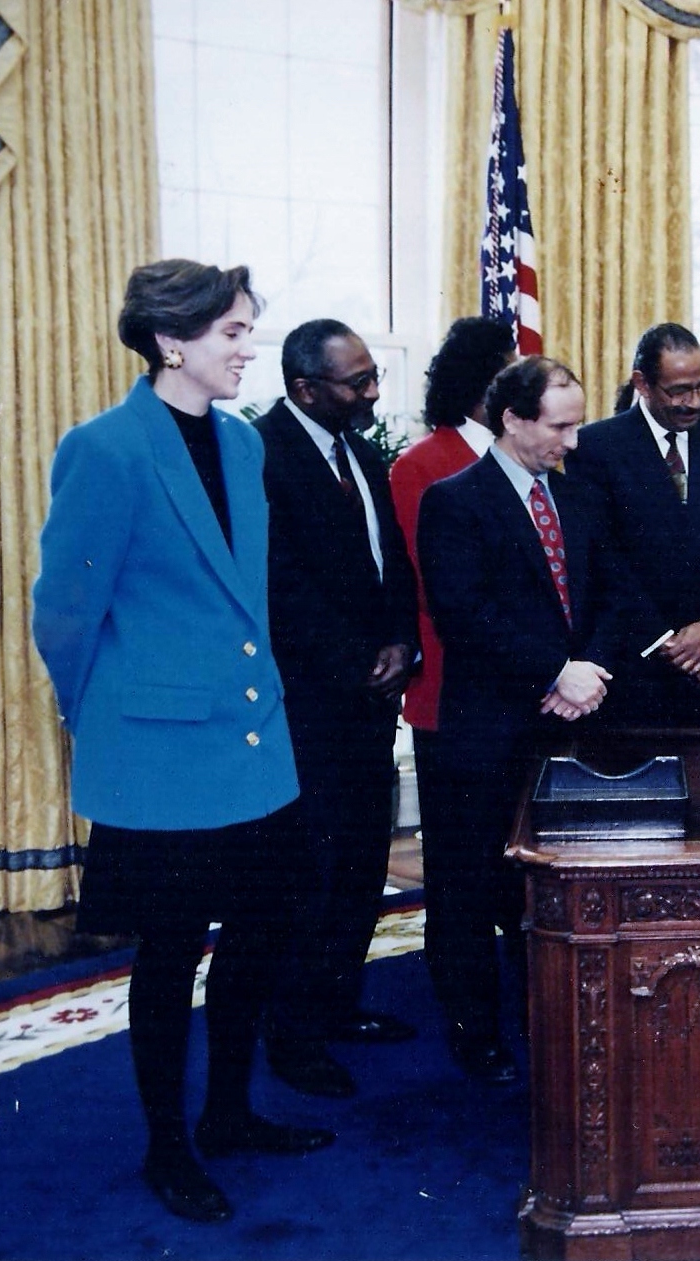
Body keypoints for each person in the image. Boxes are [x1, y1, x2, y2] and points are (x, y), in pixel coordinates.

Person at [32, 260, 331, 1223]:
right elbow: (64, 613)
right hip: (163, 756)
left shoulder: (241, 446)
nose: (249, 349)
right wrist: (111, 715)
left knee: (258, 938)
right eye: (234, 333)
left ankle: (230, 1113)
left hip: (253, 745)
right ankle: (169, 1143)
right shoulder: (106, 450)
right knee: (168, 959)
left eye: (247, 330)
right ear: (172, 341)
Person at [416, 356, 627, 1083]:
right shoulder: (455, 501)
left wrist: (586, 673)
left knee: (555, 890)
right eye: (561, 427)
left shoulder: (579, 500)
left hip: (571, 725)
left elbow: (613, 597)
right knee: (474, 890)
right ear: (513, 418)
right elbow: (463, 614)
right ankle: (477, 1037)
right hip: (489, 732)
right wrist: (552, 671)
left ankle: (558, 1024)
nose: (573, 442)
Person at [252, 319, 419, 1100]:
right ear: (304, 387)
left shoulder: (362, 449)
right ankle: (293, 1035)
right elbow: (278, 586)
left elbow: (390, 562)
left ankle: (340, 1002)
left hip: (370, 698)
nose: (373, 391)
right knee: (309, 869)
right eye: (358, 382)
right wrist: (357, 660)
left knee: (359, 857)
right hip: (309, 701)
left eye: (372, 374)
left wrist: (401, 641)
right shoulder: (263, 455)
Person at [563, 322, 700, 726]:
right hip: (631, 666)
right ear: (642, 383)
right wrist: (669, 643)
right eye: (678, 390)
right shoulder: (595, 448)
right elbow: (601, 558)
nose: (693, 401)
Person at [390, 318, 515, 855]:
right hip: (450, 683)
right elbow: (425, 578)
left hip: (525, 688)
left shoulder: (530, 457)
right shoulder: (421, 465)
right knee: (458, 860)